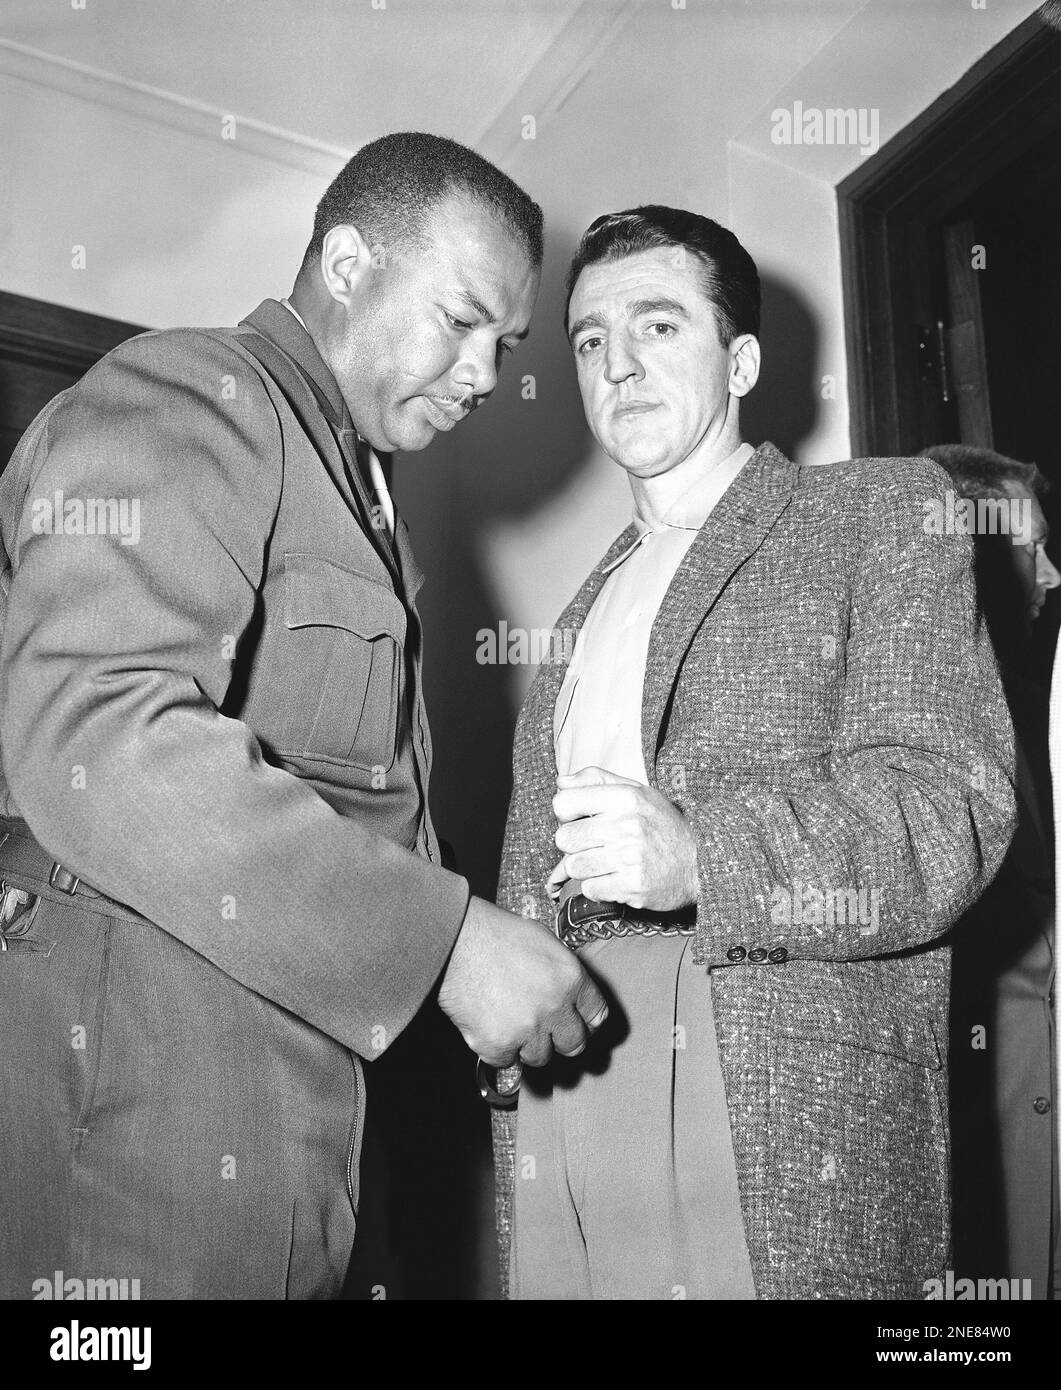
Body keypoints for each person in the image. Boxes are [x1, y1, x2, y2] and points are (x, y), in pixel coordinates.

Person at [0, 132, 607, 1300]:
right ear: (343, 262)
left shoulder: (362, 499)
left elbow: (354, 829)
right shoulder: (195, 390)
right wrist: (446, 940)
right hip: (139, 1112)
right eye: (462, 319)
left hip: (278, 1116)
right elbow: (95, 732)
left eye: (507, 343)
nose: (486, 372)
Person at [491, 206, 1016, 1300]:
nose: (616, 365)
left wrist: (704, 859)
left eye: (656, 327)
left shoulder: (880, 509)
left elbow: (950, 804)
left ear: (740, 361)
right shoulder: (581, 608)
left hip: (766, 1080)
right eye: (588, 341)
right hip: (569, 1072)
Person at [923, 442, 1060, 1300]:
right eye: (1027, 547)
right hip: (976, 1142)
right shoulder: (921, 732)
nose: (1048, 571)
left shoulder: (1037, 699)